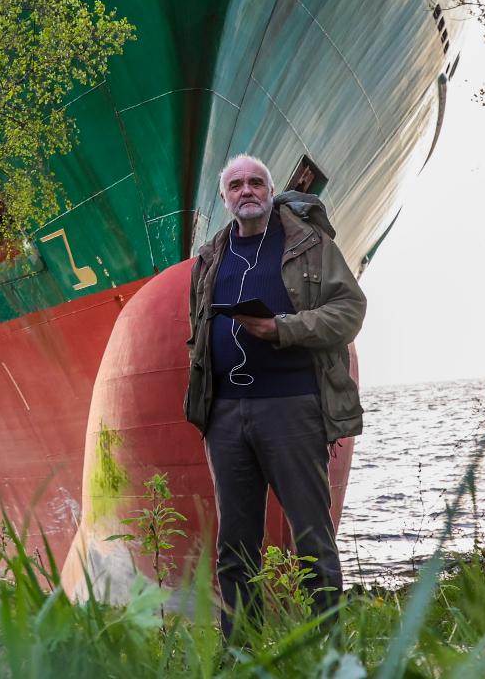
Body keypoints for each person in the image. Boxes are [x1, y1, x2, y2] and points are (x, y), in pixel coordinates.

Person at [182, 153, 365, 635]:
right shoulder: (208, 258)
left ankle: (330, 649)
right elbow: (196, 331)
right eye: (237, 184)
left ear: (270, 190)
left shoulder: (308, 243)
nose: (248, 191)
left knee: (312, 534)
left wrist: (282, 328)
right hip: (225, 414)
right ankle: (240, 652)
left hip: (292, 408)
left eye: (257, 183)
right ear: (223, 197)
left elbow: (350, 309)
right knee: (234, 544)